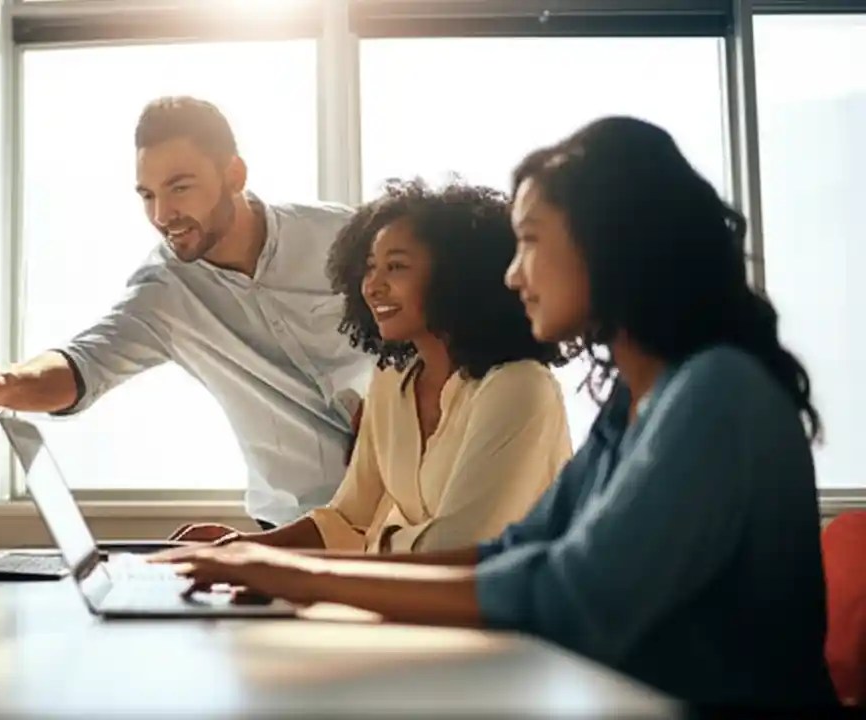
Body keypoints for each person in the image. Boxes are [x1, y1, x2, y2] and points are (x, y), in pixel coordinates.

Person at [157, 117, 838, 708]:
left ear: (611, 242)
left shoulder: (717, 392)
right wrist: (267, 565)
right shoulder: (634, 404)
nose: (513, 274)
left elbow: (571, 593)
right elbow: (508, 554)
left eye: (533, 242)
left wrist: (297, 575)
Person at [0, 96, 371, 529]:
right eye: (147, 195)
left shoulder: (343, 235)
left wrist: (403, 408)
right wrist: (5, 385)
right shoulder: (166, 292)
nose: (162, 214)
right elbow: (85, 363)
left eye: (179, 188)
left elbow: (434, 324)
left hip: (411, 509)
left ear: (234, 175)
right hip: (296, 529)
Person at [172, 179, 570, 553]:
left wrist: (379, 540)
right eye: (368, 267)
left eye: (395, 267)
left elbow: (460, 547)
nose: (372, 285)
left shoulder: (519, 386)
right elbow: (348, 520)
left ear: (457, 275)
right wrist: (245, 547)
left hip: (513, 619)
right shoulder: (392, 378)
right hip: (424, 613)